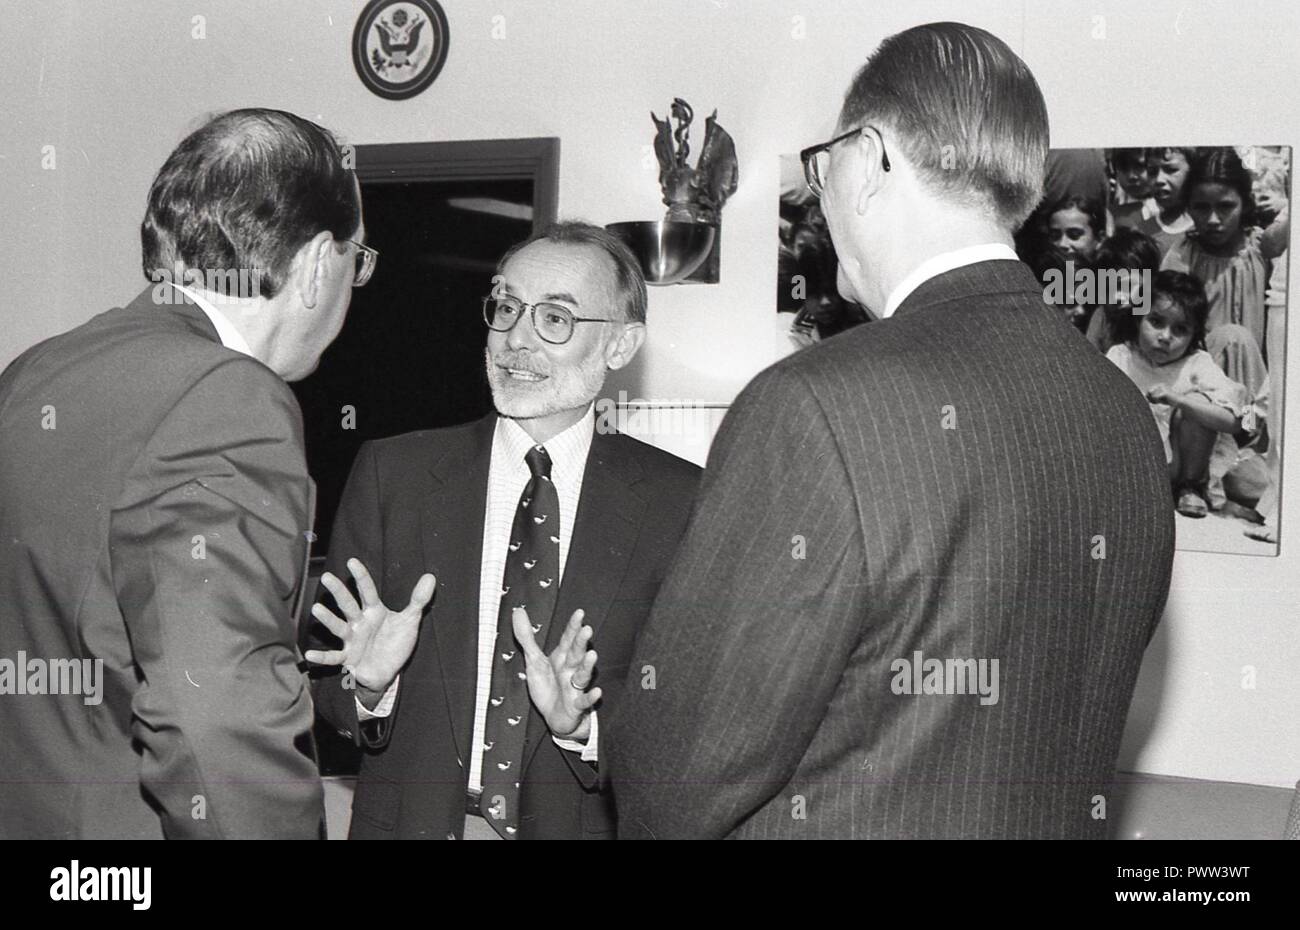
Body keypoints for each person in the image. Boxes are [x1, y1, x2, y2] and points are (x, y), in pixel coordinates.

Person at [607, 22, 1175, 839]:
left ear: (871, 159)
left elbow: (675, 769)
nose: (824, 191)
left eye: (824, 164)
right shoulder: (1123, 411)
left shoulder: (814, 405)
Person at [0, 108, 366, 838]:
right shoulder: (227, 397)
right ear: (320, 263)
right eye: (361, 261)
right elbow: (216, 715)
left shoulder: (39, 367)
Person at [306, 221, 700, 840]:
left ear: (621, 346)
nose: (516, 338)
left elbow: (692, 717)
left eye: (555, 319)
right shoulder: (394, 475)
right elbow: (329, 680)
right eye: (508, 306)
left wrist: (585, 728)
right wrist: (368, 687)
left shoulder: (682, 504)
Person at [1106, 272, 1252, 518]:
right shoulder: (1121, 356)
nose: (1165, 337)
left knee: (1197, 402)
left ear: (1194, 334)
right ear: (1137, 319)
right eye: (1156, 321)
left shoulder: (1197, 363)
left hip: (1180, 466)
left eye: (1180, 329)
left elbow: (1233, 421)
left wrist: (1179, 400)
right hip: (1134, 463)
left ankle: (1190, 488)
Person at [1116, 147, 1197, 260]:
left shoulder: (1204, 227)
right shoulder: (1143, 232)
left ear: (1194, 172)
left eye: (1171, 170)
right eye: (1152, 172)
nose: (1159, 179)